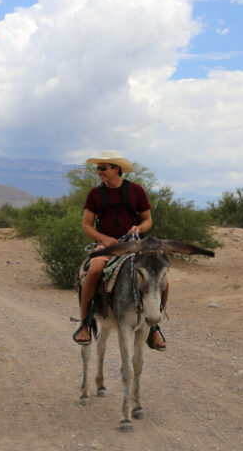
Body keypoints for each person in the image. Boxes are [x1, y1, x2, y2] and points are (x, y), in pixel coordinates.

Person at [72, 150, 167, 351]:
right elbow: (87, 226)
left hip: (135, 245)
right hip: (107, 246)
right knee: (95, 270)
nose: (99, 172)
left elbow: (147, 219)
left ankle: (154, 326)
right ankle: (85, 323)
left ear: (116, 169)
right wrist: (104, 239)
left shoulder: (137, 191)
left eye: (103, 168)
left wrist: (138, 229)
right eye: (98, 168)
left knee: (162, 280)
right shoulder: (95, 194)